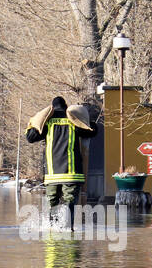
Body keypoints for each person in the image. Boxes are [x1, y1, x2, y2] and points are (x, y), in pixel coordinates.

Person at [26, 95, 98, 223]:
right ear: (66, 107)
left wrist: (34, 123)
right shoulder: (73, 119)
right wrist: (88, 121)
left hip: (52, 175)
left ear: (52, 108)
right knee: (69, 205)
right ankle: (68, 230)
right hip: (72, 174)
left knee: (53, 206)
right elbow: (92, 131)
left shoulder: (47, 122)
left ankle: (53, 232)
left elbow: (30, 137)